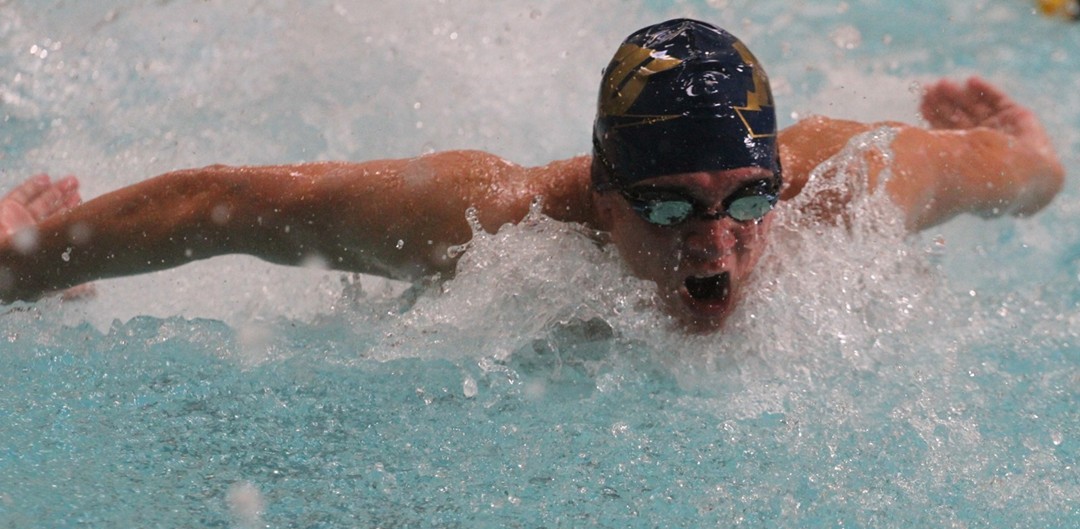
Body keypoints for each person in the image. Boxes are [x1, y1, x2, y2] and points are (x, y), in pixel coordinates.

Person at [0, 19, 1064, 332]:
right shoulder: (493, 223)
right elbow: (228, 205)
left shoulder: (846, 186)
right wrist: (24, 265)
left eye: (746, 200)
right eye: (666, 207)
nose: (715, 246)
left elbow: (1016, 172)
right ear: (602, 190)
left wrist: (1039, 159)